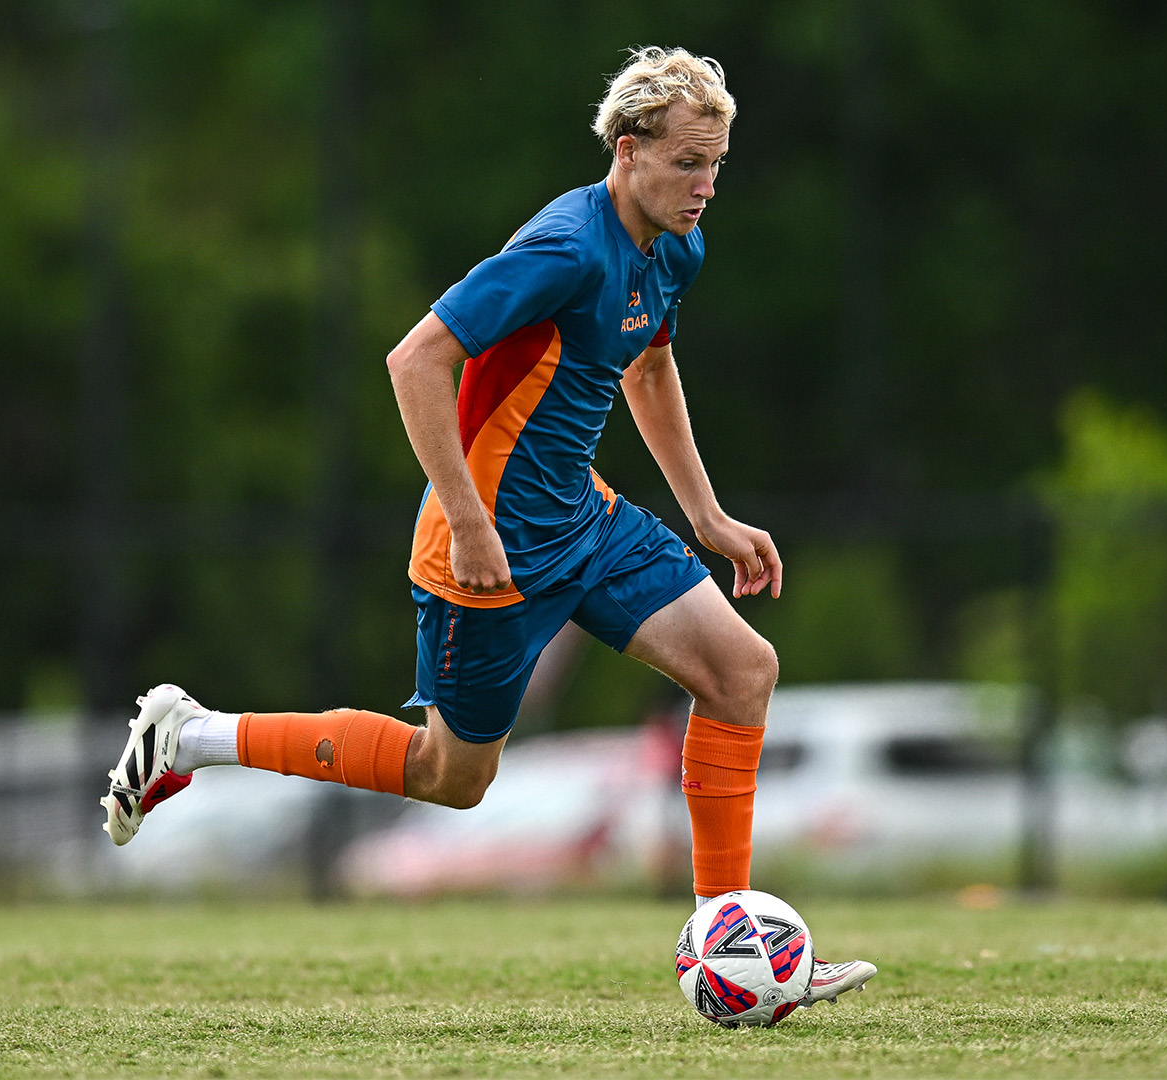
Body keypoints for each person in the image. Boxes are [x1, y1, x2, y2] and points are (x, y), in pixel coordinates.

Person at [100, 46, 875, 1007]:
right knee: (451, 776)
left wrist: (707, 514)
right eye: (687, 163)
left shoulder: (676, 243)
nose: (706, 186)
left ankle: (732, 940)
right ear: (627, 152)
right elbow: (414, 361)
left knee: (742, 671)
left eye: (716, 164)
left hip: (585, 522)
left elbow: (649, 364)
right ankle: (194, 736)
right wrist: (468, 523)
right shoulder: (562, 248)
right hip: (487, 547)